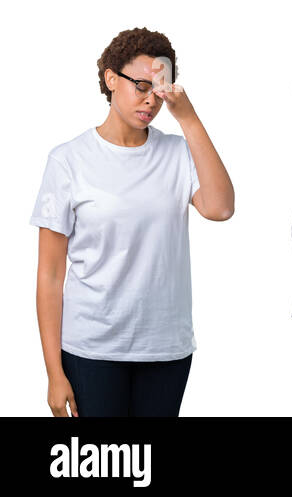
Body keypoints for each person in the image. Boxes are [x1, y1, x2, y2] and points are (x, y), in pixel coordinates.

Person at [33, 27, 236, 417]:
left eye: (160, 88)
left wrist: (188, 119)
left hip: (166, 349)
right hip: (92, 348)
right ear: (112, 79)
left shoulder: (178, 153)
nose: (150, 99)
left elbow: (220, 208)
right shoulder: (68, 160)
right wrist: (53, 372)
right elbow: (50, 274)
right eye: (141, 85)